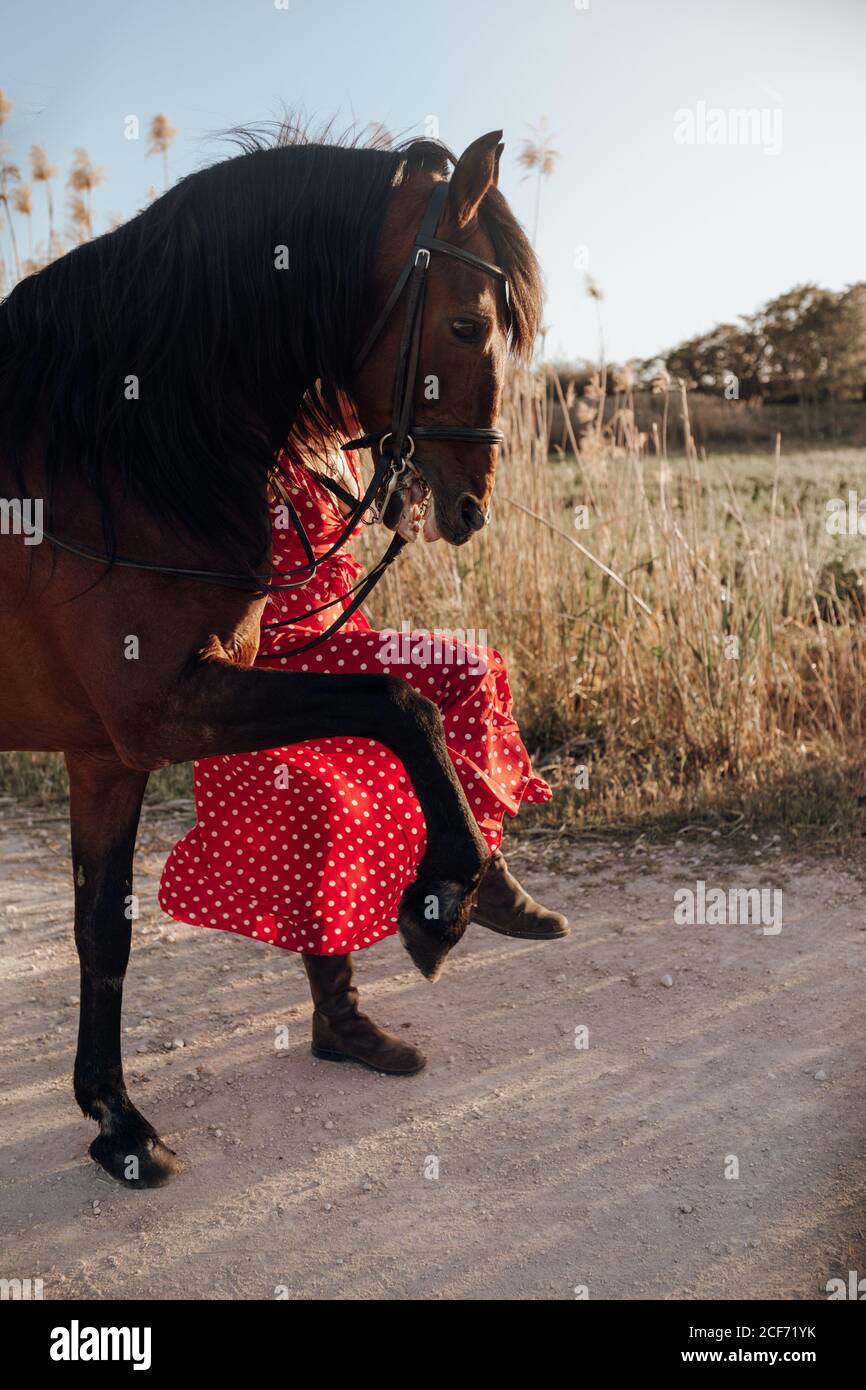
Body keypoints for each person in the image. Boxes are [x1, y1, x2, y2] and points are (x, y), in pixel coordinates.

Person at [159, 442, 568, 1075]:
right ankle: (338, 1018)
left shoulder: (349, 445)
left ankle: (474, 871)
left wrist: (417, 511)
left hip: (340, 641)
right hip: (267, 662)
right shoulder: (244, 439)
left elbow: (400, 521)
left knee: (472, 668)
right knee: (330, 795)